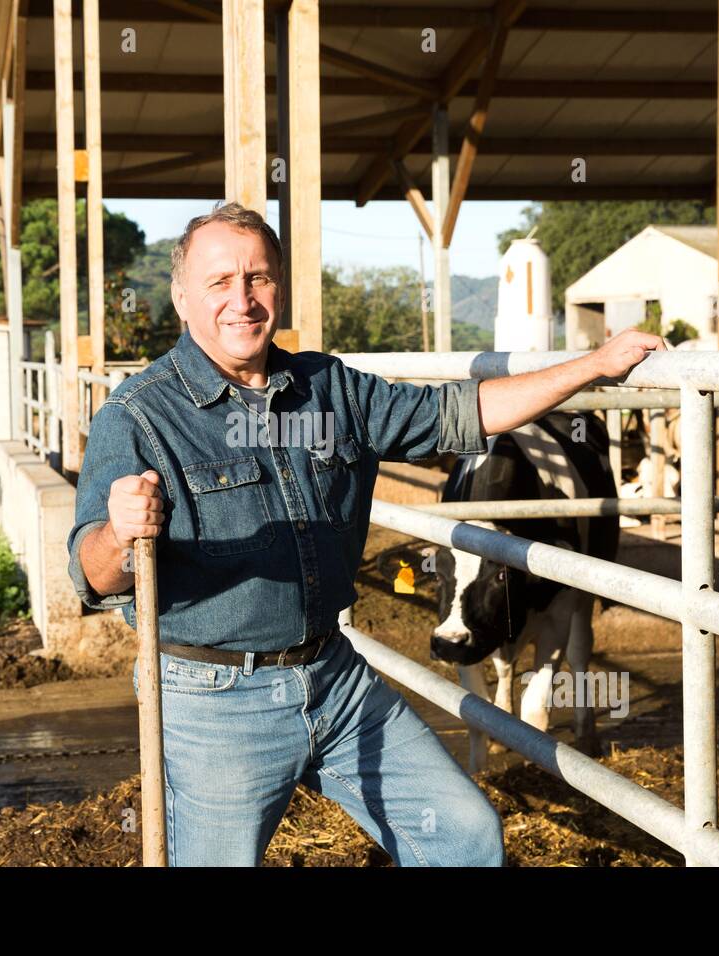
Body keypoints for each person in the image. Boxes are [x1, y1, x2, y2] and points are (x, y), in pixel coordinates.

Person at [67, 200, 664, 866]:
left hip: (335, 676)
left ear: (279, 287)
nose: (243, 299)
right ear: (181, 297)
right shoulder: (141, 416)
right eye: (219, 282)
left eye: (258, 278)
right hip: (217, 702)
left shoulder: (328, 388)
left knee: (465, 836)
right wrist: (121, 533)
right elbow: (93, 574)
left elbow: (460, 413)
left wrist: (591, 366)